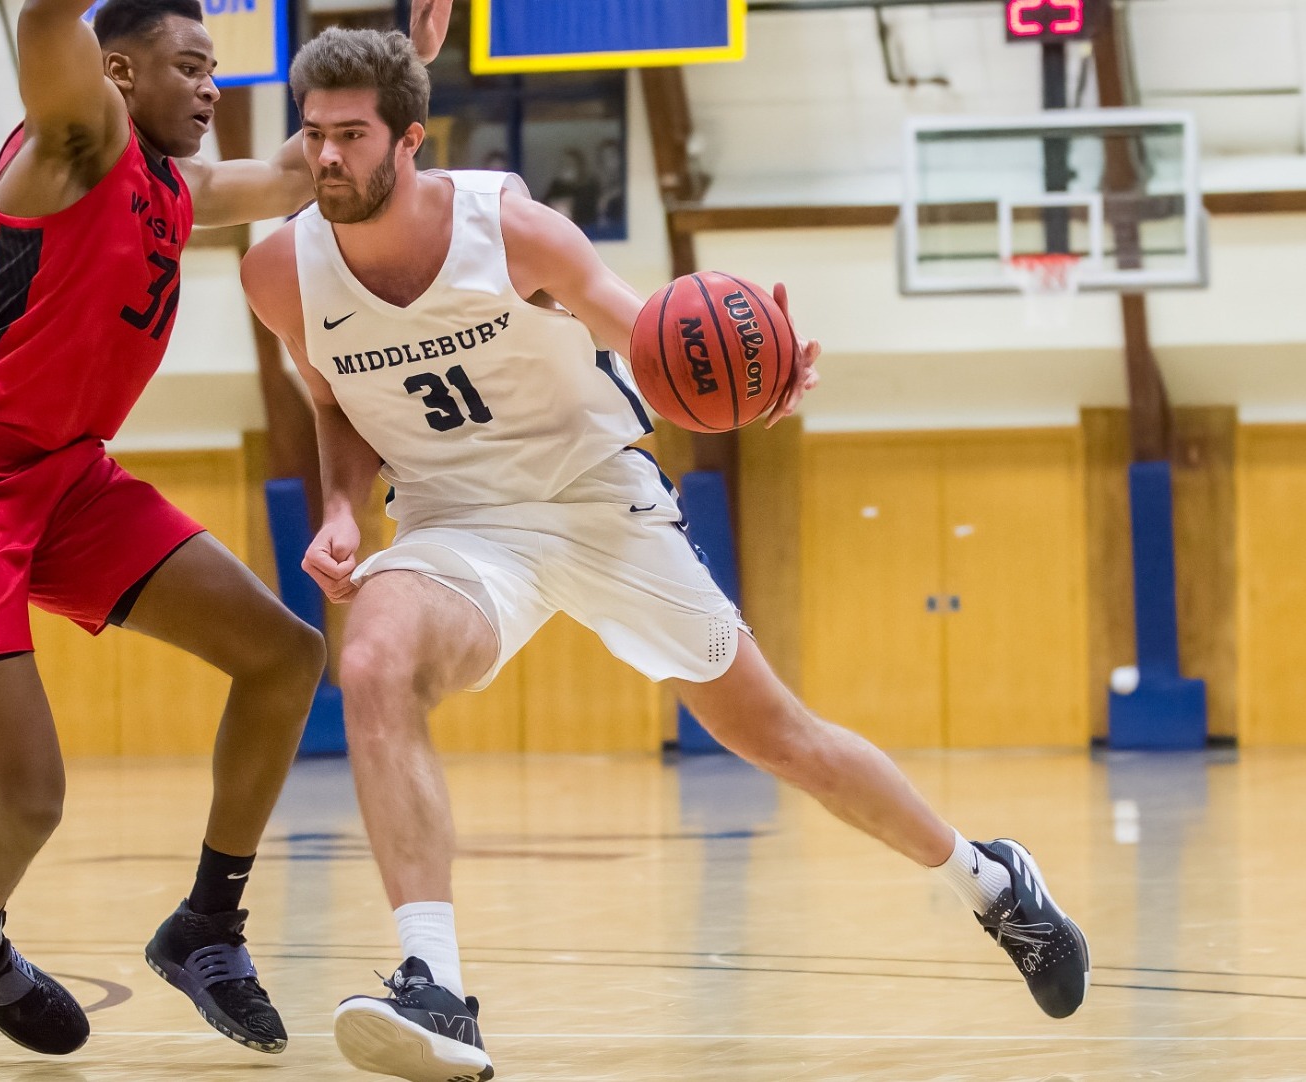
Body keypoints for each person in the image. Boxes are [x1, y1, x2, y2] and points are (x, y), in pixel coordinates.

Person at [241, 27, 1090, 1082]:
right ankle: (434, 986)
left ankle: (990, 881)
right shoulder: (280, 270)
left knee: (776, 735)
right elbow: (333, 401)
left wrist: (760, 367)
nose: (325, 157)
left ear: (409, 140)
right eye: (312, 135)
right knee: (368, 658)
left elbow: (646, 330)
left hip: (596, 498)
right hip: (456, 524)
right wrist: (336, 505)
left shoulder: (507, 229)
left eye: (350, 136)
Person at [0, 0, 450, 1060]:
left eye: (214, 66)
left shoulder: (178, 189)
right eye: (188, 65)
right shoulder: (76, 141)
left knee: (285, 653)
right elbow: (45, 24)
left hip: (67, 481)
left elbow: (295, 171)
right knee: (31, 795)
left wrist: (400, 69)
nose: (210, 85)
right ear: (115, 73)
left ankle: (206, 925)